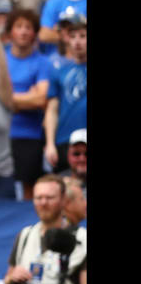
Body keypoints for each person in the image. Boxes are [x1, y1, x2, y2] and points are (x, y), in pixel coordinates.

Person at [0, 8, 50, 200]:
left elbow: (41, 99)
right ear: (10, 32)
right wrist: (26, 97)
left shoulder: (43, 62)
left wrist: (8, 99)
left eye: (28, 27)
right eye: (18, 27)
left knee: (30, 189)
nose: (23, 32)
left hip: (30, 135)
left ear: (35, 33)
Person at [43, 14, 86, 172]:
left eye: (82, 36)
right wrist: (49, 143)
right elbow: (52, 109)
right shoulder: (58, 71)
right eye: (73, 36)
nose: (77, 41)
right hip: (65, 140)